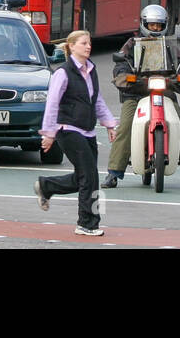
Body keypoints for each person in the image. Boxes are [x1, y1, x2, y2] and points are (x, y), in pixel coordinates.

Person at [102, 5, 180, 190]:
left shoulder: (170, 46)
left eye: (159, 26)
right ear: (143, 24)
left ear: (164, 25)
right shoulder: (131, 44)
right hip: (135, 94)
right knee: (125, 127)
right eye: (151, 25)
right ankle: (114, 173)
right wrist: (128, 77)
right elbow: (120, 67)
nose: (155, 29)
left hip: (165, 92)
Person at [34, 29, 118, 237]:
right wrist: (49, 133)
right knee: (88, 177)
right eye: (83, 43)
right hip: (68, 129)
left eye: (89, 43)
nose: (88, 46)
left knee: (87, 177)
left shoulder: (91, 70)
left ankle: (46, 186)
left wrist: (109, 124)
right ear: (71, 46)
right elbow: (52, 104)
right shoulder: (63, 72)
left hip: (87, 130)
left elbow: (96, 100)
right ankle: (87, 224)